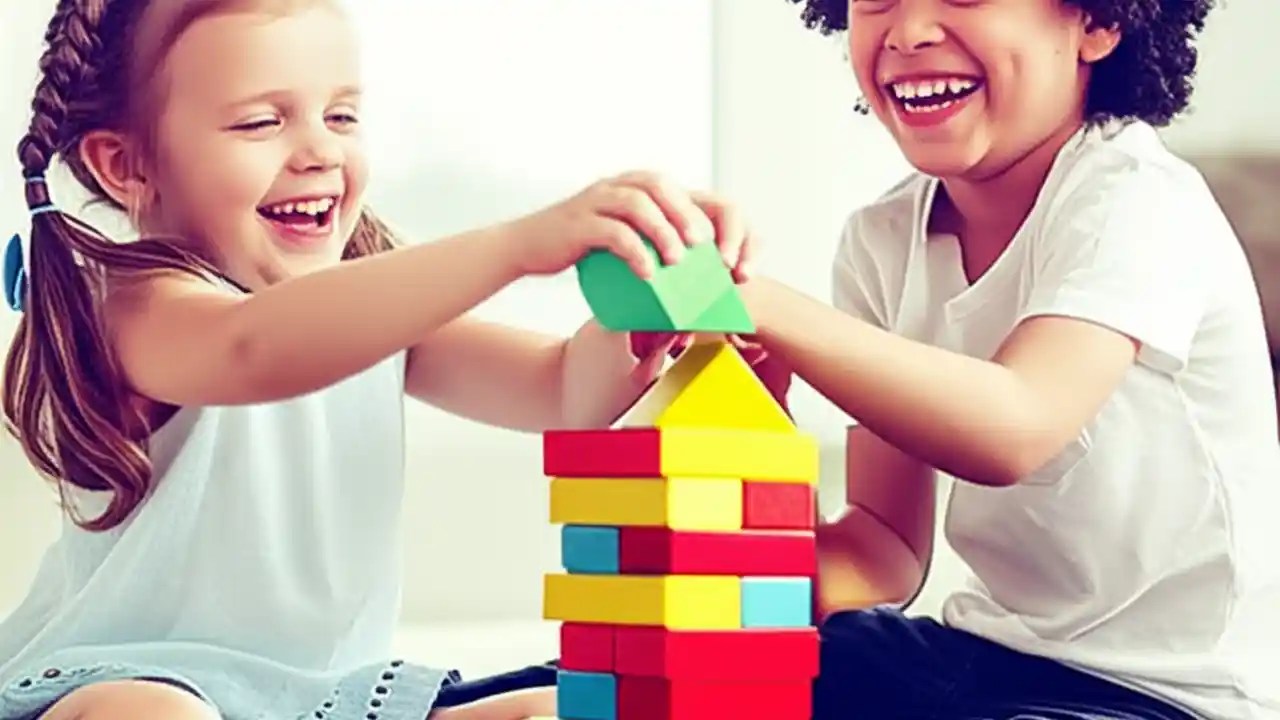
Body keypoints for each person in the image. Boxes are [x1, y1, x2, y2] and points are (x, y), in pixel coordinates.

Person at [0, 1, 757, 719]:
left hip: (330, 694)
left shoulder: (369, 303)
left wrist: (643, 318)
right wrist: (520, 245)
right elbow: (254, 347)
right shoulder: (135, 305)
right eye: (262, 121)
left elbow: (557, 387)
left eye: (341, 116)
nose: (321, 151)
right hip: (133, 678)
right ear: (125, 165)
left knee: (553, 708)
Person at [729, 0, 1280, 717]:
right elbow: (880, 550)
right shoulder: (882, 240)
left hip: (1172, 696)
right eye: (876, 1)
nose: (909, 30)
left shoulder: (1137, 199)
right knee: (605, 686)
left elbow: (1014, 423)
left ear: (1097, 22)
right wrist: (744, 441)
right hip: (989, 660)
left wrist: (767, 307)